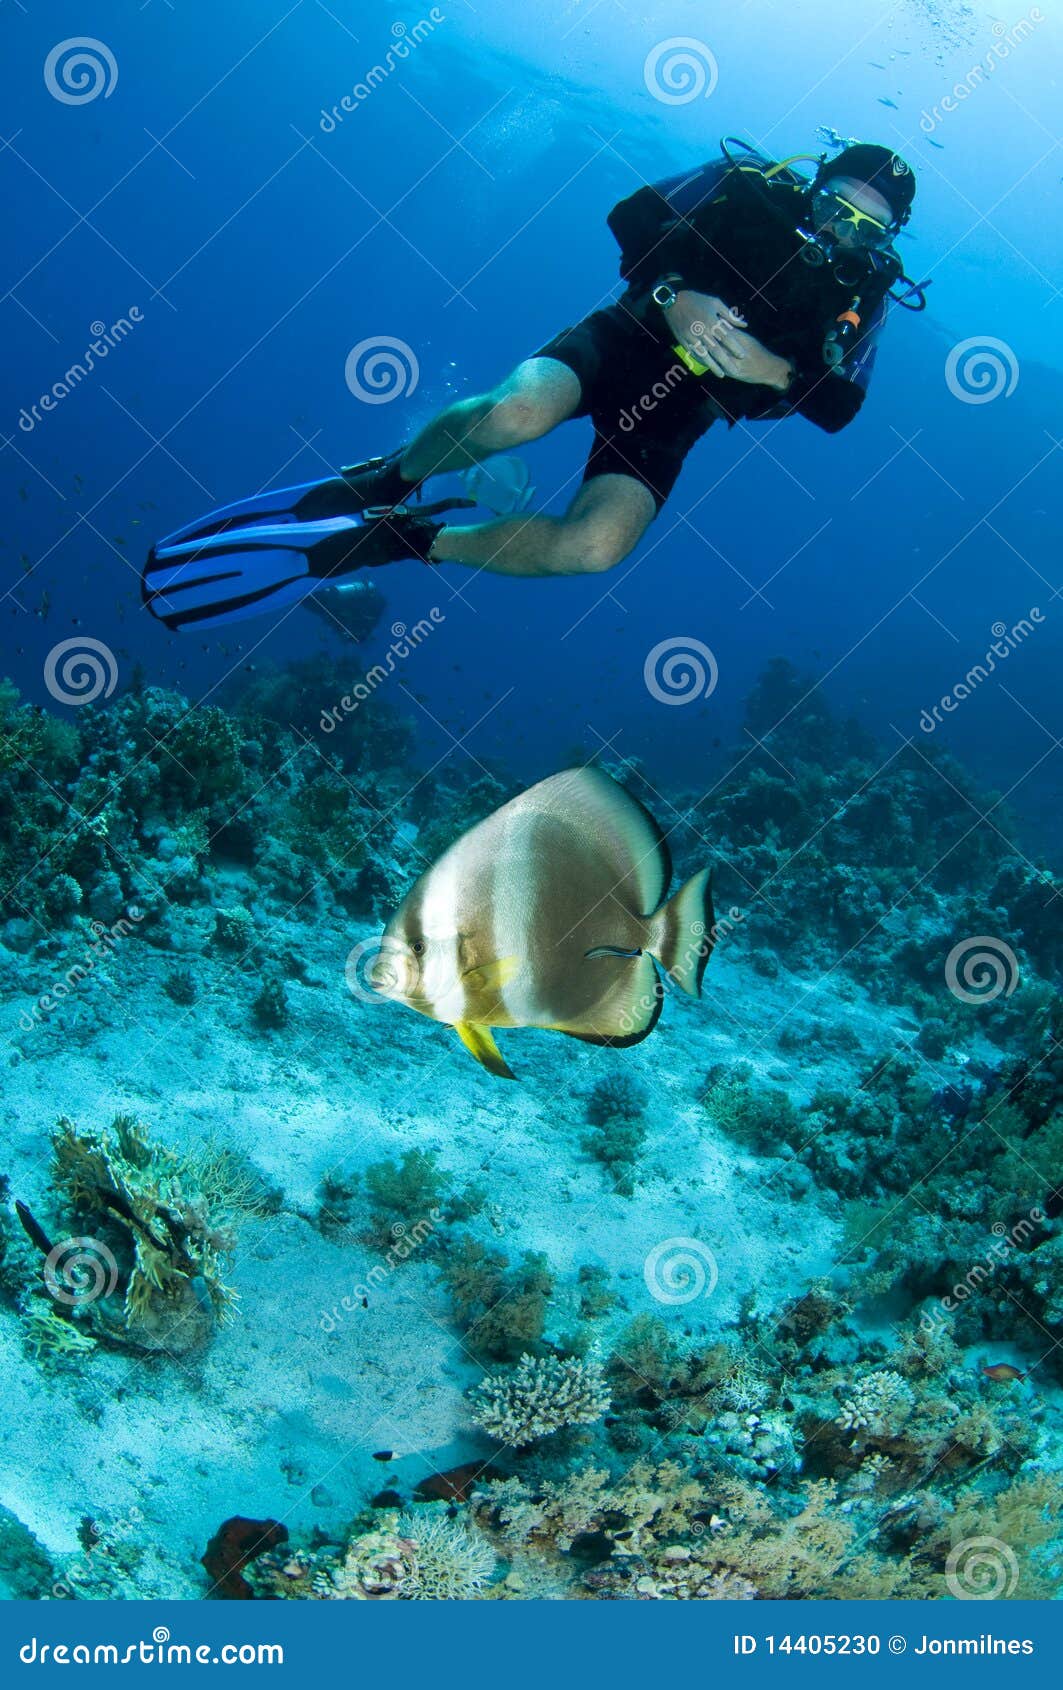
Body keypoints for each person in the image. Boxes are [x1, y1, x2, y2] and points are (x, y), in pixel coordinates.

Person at [143, 141, 920, 631]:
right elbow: (631, 217)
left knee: (596, 547)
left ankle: (403, 540)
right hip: (618, 341)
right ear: (813, 183)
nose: (839, 230)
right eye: (835, 204)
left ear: (885, 239)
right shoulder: (744, 186)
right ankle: (390, 478)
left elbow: (839, 406)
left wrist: (773, 371)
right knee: (513, 415)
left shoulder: (867, 292)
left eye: (865, 227)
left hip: (677, 414)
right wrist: (673, 295)